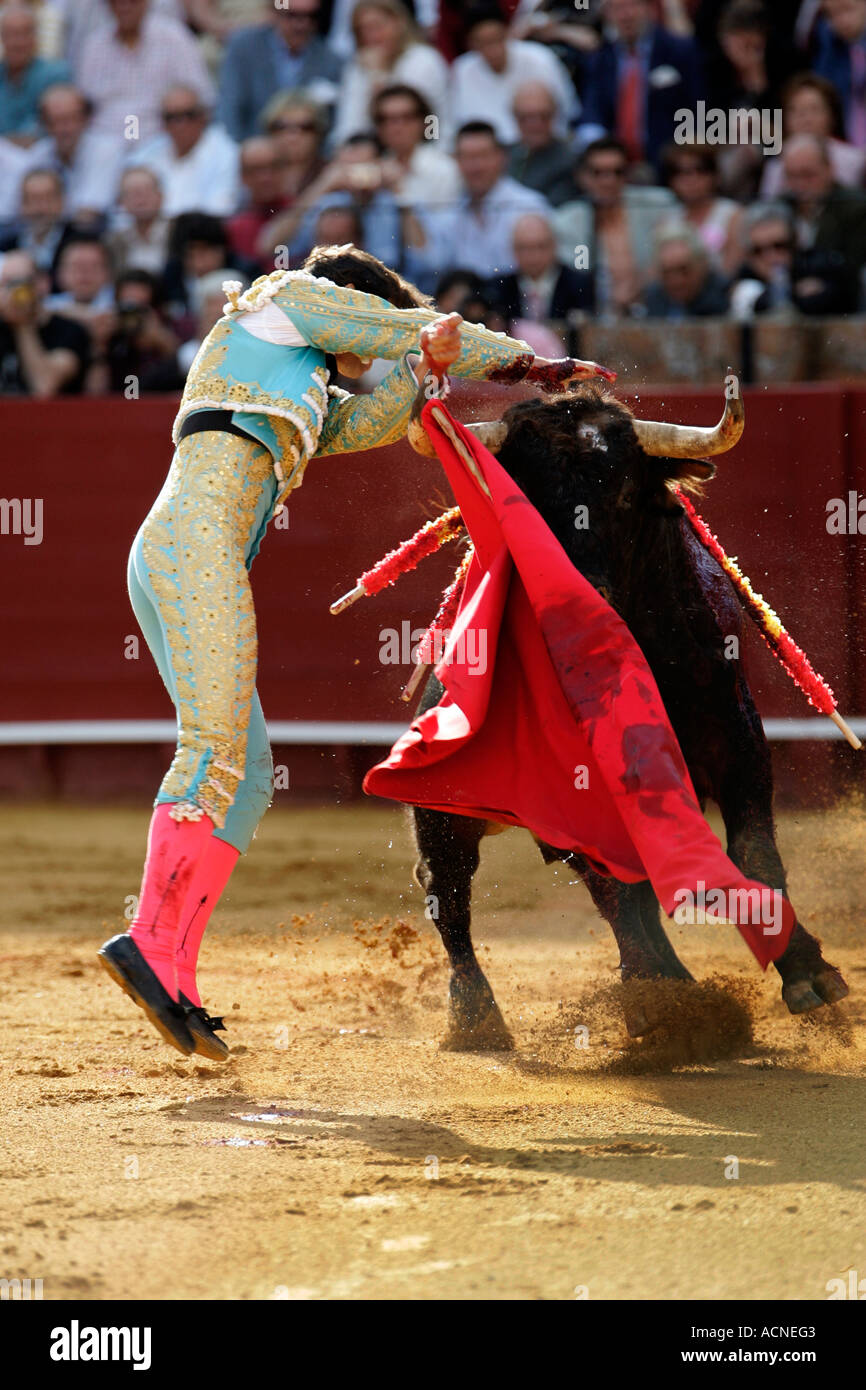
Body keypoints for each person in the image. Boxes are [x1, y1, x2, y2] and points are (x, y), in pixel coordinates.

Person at [96, 241, 615, 1059]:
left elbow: (384, 410)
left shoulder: (305, 394)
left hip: (194, 552)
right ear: (350, 305)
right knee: (214, 751)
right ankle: (149, 942)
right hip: (192, 546)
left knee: (249, 777)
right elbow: (408, 327)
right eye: (362, 335)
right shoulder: (285, 298)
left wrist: (428, 370)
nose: (359, 359)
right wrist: (531, 366)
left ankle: (176, 975)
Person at [577, 0, 704, 176]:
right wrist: (596, 145)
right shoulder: (599, 58)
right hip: (615, 168)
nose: (626, 15)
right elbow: (592, 112)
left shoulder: (679, 50)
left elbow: (698, 108)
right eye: (617, 8)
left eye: (632, 6)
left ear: (649, 8)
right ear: (608, 15)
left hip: (669, 161)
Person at [552, 137, 676, 314]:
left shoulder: (656, 206)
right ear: (582, 176)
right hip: (596, 314)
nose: (608, 181)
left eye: (617, 172)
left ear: (627, 175)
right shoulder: (568, 221)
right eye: (598, 173)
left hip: (656, 308)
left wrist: (640, 284)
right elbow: (578, 272)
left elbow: (673, 252)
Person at [421, 120, 551, 278]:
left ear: (501, 157)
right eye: (468, 157)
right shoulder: (449, 210)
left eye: (483, 156)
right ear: (456, 161)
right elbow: (432, 264)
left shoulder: (531, 206)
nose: (476, 166)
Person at [77, 0, 215, 144]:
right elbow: (83, 103)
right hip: (104, 140)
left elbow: (202, 96)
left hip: (162, 140)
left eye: (133, 2)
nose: (124, 7)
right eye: (116, 2)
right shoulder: (94, 45)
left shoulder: (174, 37)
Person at [449, 5, 579, 146]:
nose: (492, 50)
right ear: (471, 43)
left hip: (544, 147)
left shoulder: (540, 58)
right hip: (489, 155)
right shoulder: (462, 69)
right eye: (483, 42)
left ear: (507, 32)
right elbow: (460, 123)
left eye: (496, 39)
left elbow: (566, 110)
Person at [217, 0, 343, 142]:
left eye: (311, 16)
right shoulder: (244, 47)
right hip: (252, 149)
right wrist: (240, 152)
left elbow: (331, 124)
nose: (301, 24)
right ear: (275, 13)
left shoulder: (330, 59)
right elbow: (229, 108)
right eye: (292, 15)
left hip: (307, 156)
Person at [331, 0, 450, 147]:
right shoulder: (358, 66)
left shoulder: (424, 60)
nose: (372, 36)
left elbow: (431, 118)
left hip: (427, 149)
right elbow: (349, 126)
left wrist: (378, 79)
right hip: (376, 155)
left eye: (377, 27)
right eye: (363, 30)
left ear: (399, 24)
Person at [125, 84, 240, 218]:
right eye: (171, 117)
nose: (180, 124)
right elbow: (124, 212)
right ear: (162, 122)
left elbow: (219, 211)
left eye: (188, 115)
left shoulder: (227, 153)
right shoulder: (147, 154)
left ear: (204, 117)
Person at [0, 246, 89, 394]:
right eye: (5, 284)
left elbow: (44, 386)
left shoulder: (69, 330)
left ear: (42, 284)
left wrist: (23, 325)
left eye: (19, 283)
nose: (12, 293)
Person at [760, 72, 866, 196]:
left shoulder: (855, 160)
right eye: (796, 111)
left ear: (832, 115)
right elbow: (768, 208)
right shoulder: (776, 165)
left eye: (814, 109)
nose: (806, 120)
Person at [30, 83, 124, 221]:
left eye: (69, 120)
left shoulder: (107, 150)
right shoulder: (39, 153)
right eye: (53, 121)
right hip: (54, 233)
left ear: (85, 119)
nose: (62, 129)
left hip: (97, 233)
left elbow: (90, 212)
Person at [485, 211, 594, 327]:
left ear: (555, 245)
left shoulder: (580, 285)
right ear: (513, 250)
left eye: (541, 246)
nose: (533, 257)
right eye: (524, 248)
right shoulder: (498, 289)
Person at [657, 141, 741, 273]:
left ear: (715, 175)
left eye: (700, 170)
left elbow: (732, 270)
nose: (691, 179)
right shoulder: (667, 220)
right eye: (681, 172)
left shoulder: (733, 215)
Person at [0, 1, 69, 142]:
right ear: (2, 38)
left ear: (35, 37)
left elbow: (51, 128)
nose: (18, 42)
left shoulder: (56, 74)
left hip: (43, 156)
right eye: (11, 34)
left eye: (24, 33)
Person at [507, 81, 578, 208]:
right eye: (526, 117)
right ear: (515, 118)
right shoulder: (503, 155)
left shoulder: (569, 161)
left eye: (543, 116)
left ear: (555, 115)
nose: (535, 125)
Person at [0, 165, 73, 286]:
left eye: (48, 199)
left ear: (61, 202)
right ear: (21, 205)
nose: (40, 208)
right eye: (33, 200)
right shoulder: (7, 247)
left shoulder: (78, 243)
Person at [812, 0, 866, 147]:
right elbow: (824, 92)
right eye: (831, 14)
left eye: (847, 9)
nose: (841, 20)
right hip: (846, 143)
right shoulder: (831, 46)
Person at [642, 228, 731, 317]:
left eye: (683, 270)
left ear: (701, 265)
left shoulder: (725, 297)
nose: (676, 281)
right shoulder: (652, 299)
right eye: (666, 273)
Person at [106, 165, 169, 276]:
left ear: (160, 196)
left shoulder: (179, 232)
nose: (141, 199)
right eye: (133, 193)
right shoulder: (114, 242)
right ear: (122, 202)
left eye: (147, 191)